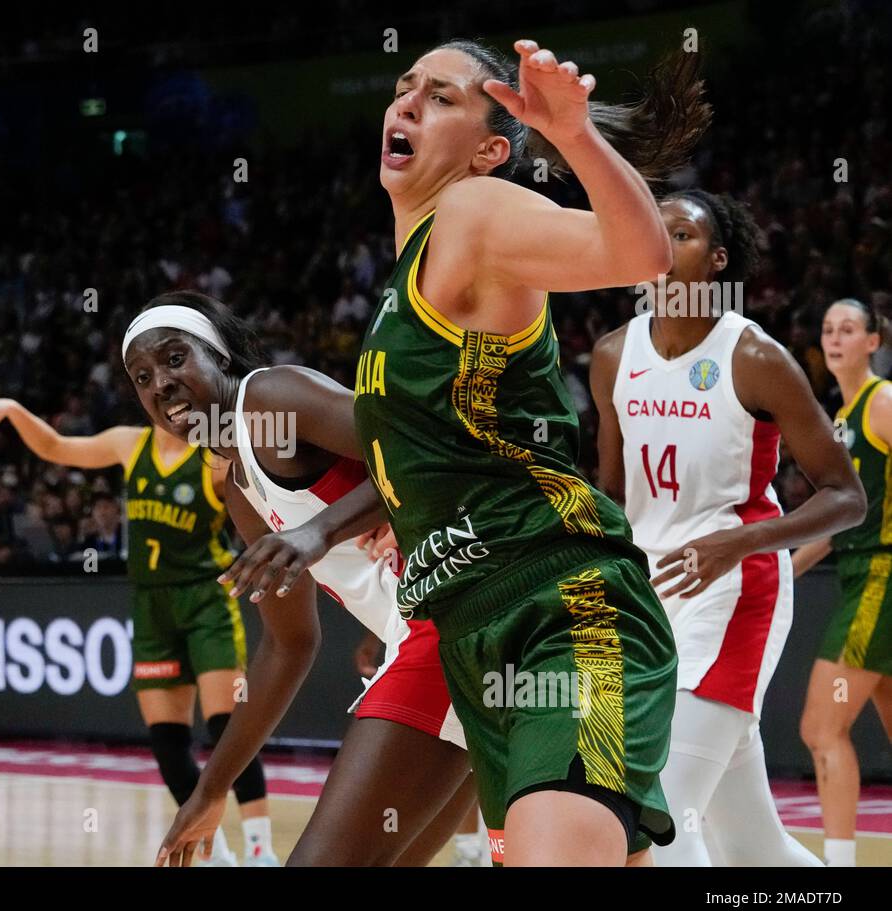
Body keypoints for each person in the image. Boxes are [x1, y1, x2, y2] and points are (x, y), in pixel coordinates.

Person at [351, 38, 711, 865]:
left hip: (561, 605)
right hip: (474, 628)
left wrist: (577, 137)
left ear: (490, 150)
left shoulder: (473, 212)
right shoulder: (404, 280)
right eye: (405, 88)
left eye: (440, 97)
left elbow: (641, 253)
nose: (405, 104)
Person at [130, 292, 477, 868]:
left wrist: (325, 528)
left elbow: (428, 448)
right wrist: (211, 789)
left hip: (457, 619)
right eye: (141, 377)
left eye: (173, 360)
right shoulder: (240, 488)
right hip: (453, 638)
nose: (159, 385)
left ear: (219, 358)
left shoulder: (269, 397)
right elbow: (289, 644)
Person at [591, 192, 862, 866]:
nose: (659, 242)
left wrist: (740, 541)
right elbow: (613, 496)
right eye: (652, 230)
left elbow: (846, 496)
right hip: (648, 597)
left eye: (679, 233)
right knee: (753, 847)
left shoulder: (754, 358)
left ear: (717, 261)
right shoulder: (612, 355)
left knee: (661, 811)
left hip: (735, 592)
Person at [0, 393, 278, 866]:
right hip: (150, 605)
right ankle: (215, 850)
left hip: (205, 598)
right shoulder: (128, 444)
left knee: (226, 729)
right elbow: (57, 447)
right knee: (166, 740)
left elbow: (264, 511)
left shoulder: (215, 460)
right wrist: (16, 411)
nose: (169, 403)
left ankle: (262, 849)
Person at [794, 298, 892, 867]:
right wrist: (781, 573)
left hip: (879, 578)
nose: (835, 338)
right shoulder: (841, 419)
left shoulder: (882, 405)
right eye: (828, 328)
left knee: (822, 724)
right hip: (862, 575)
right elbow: (834, 527)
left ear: (873, 342)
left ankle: (838, 868)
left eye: (849, 329)